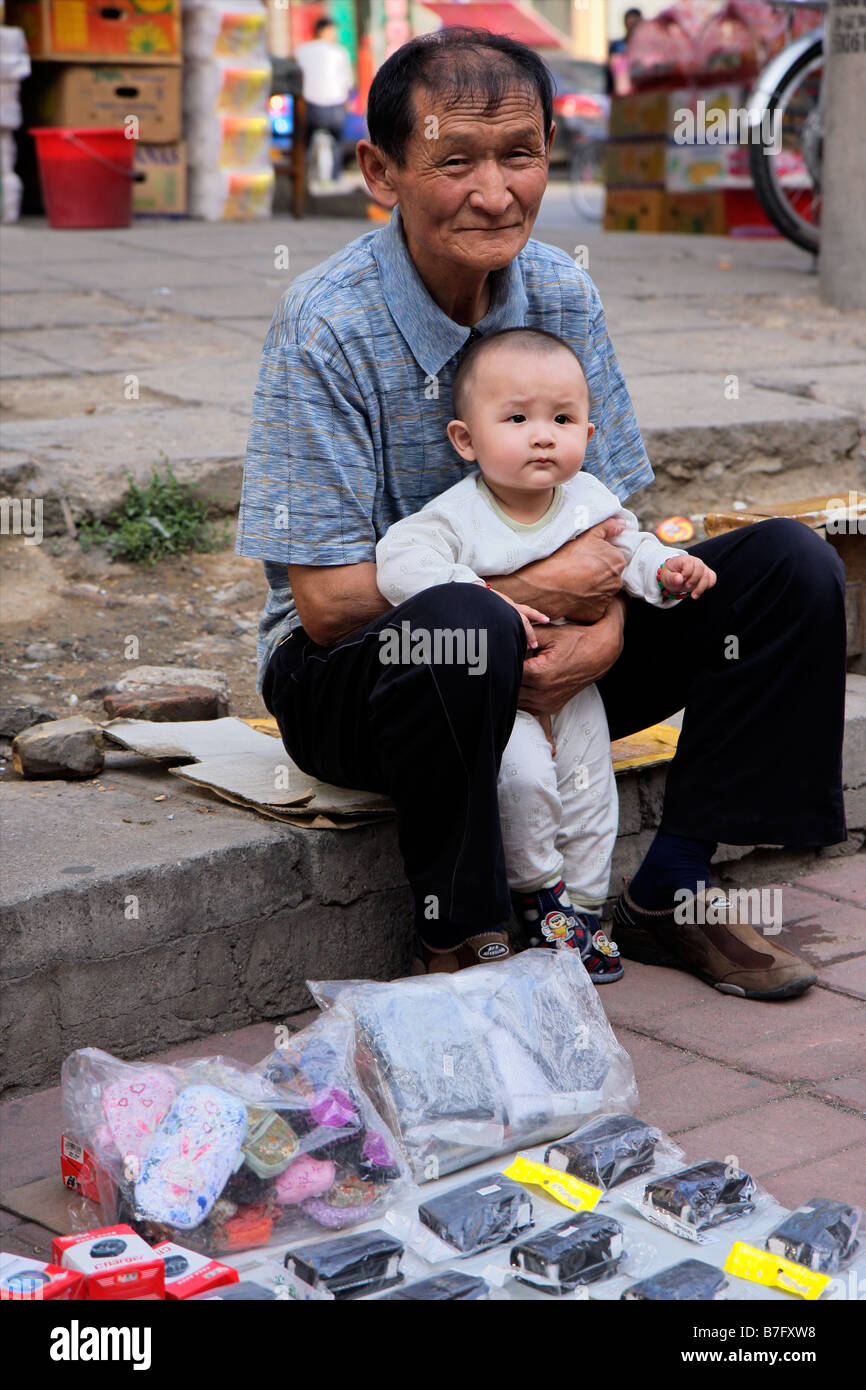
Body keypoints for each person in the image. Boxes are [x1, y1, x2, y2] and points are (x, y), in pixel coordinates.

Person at [237, 27, 846, 996]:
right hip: (370, 681)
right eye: (454, 160)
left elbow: (610, 522)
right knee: (461, 625)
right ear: (380, 170)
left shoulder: (558, 290)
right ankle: (460, 933)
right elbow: (321, 603)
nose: (494, 191)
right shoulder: (327, 324)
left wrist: (600, 633)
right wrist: (522, 593)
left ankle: (674, 885)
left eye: (518, 155)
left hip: (555, 652)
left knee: (787, 571)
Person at [376, 326, 717, 982]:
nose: (541, 434)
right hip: (502, 695)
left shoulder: (589, 501)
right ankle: (540, 897)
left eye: (562, 419)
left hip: (575, 683)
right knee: (525, 782)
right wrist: (477, 596)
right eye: (516, 418)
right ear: (465, 440)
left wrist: (670, 570)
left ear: (588, 438)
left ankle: (585, 909)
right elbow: (399, 561)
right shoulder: (454, 516)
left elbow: (633, 548)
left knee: (589, 789)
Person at [295, 16, 353, 184]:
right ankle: (335, 177)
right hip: (334, 105)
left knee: (304, 143)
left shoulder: (302, 51)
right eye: (333, 30)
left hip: (309, 105)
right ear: (324, 31)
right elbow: (346, 82)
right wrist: (346, 103)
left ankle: (301, 176)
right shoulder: (339, 52)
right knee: (337, 142)